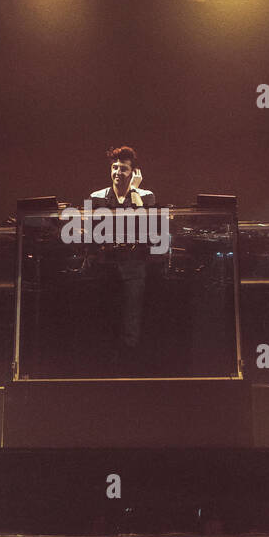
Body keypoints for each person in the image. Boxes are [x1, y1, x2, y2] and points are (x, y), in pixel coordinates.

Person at [89, 146, 156, 374]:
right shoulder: (97, 197)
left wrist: (134, 191)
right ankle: (105, 366)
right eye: (114, 167)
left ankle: (129, 368)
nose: (117, 172)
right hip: (106, 263)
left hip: (134, 264)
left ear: (133, 171)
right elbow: (95, 231)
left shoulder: (145, 196)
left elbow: (145, 224)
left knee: (132, 316)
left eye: (123, 168)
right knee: (106, 312)